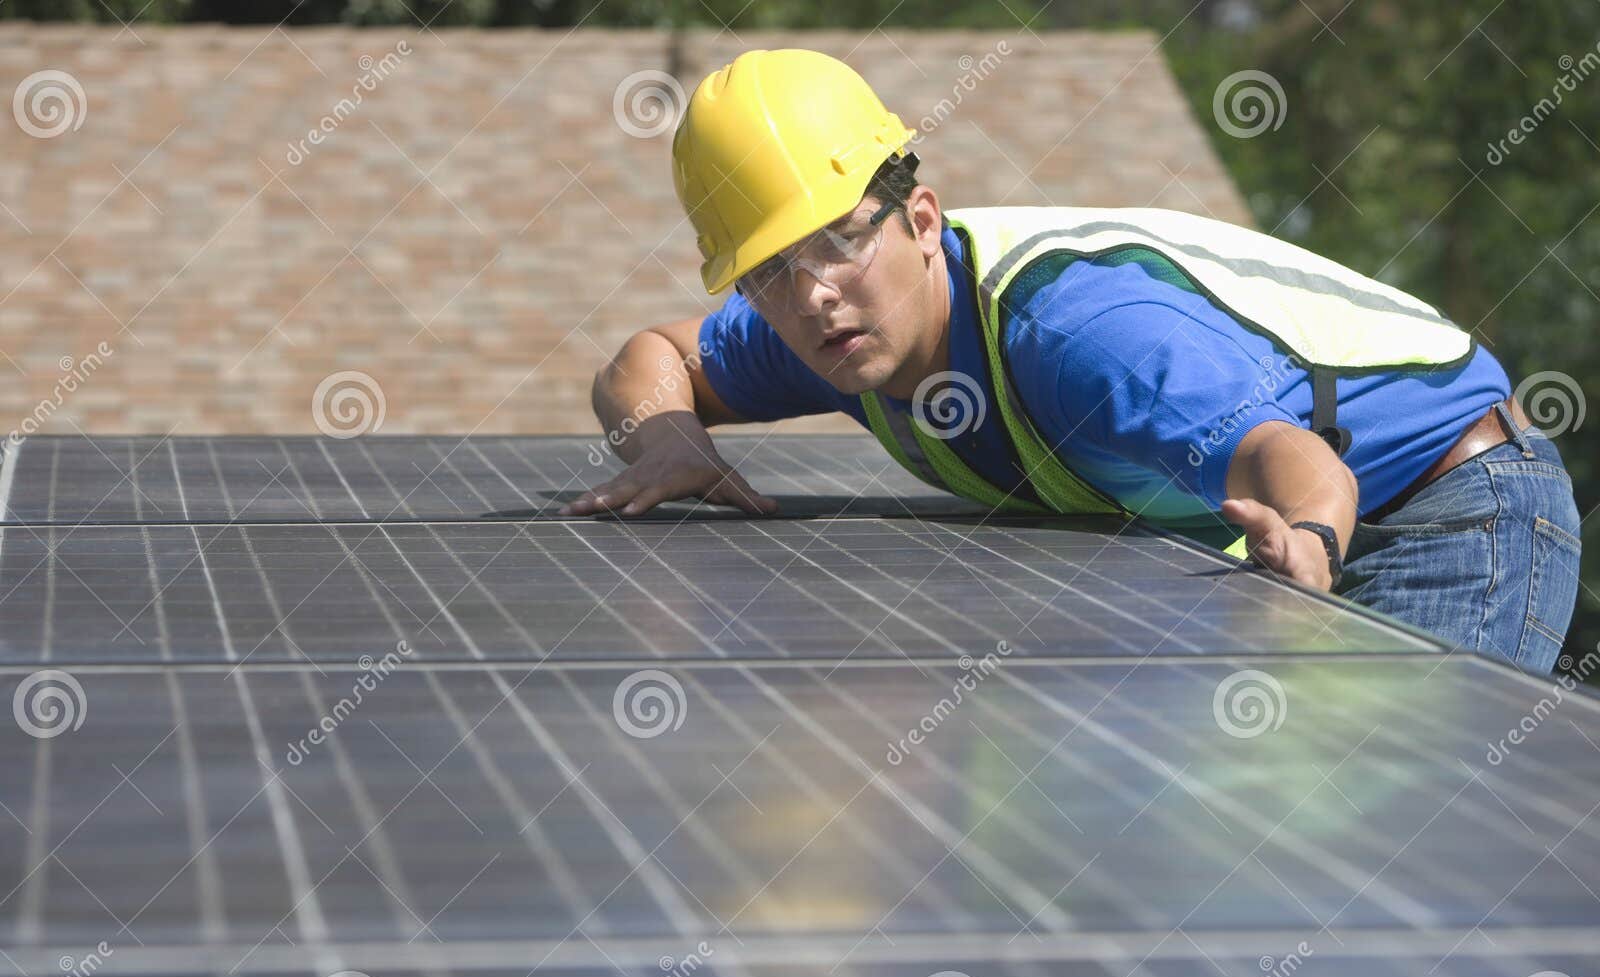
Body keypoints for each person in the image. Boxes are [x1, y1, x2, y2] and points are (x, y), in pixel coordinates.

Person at [566, 48, 1582, 674]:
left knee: (1384, 851)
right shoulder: (828, 331)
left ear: (922, 218)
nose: (813, 289)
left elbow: (1299, 465)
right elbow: (648, 355)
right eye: (767, 273)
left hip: (1449, 502)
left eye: (838, 239)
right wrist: (662, 437)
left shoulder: (1077, 340)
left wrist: (1309, 542)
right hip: (1298, 524)